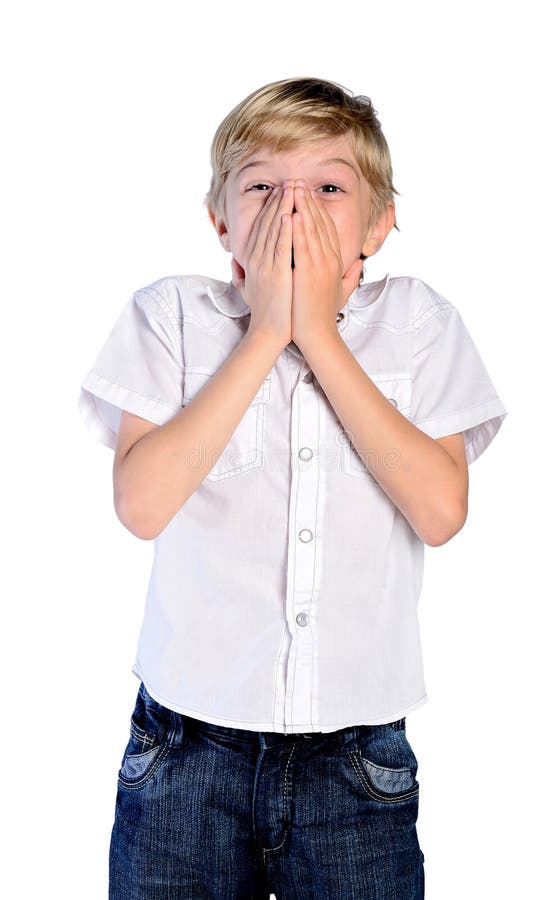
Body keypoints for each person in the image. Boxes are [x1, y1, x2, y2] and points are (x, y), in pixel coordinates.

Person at [78, 76, 507, 899]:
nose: (295, 210)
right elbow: (141, 504)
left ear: (378, 226)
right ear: (222, 222)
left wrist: (314, 331)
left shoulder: (420, 324)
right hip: (184, 752)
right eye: (265, 187)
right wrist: (268, 329)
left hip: (355, 758)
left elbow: (442, 510)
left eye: (329, 188)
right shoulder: (169, 316)